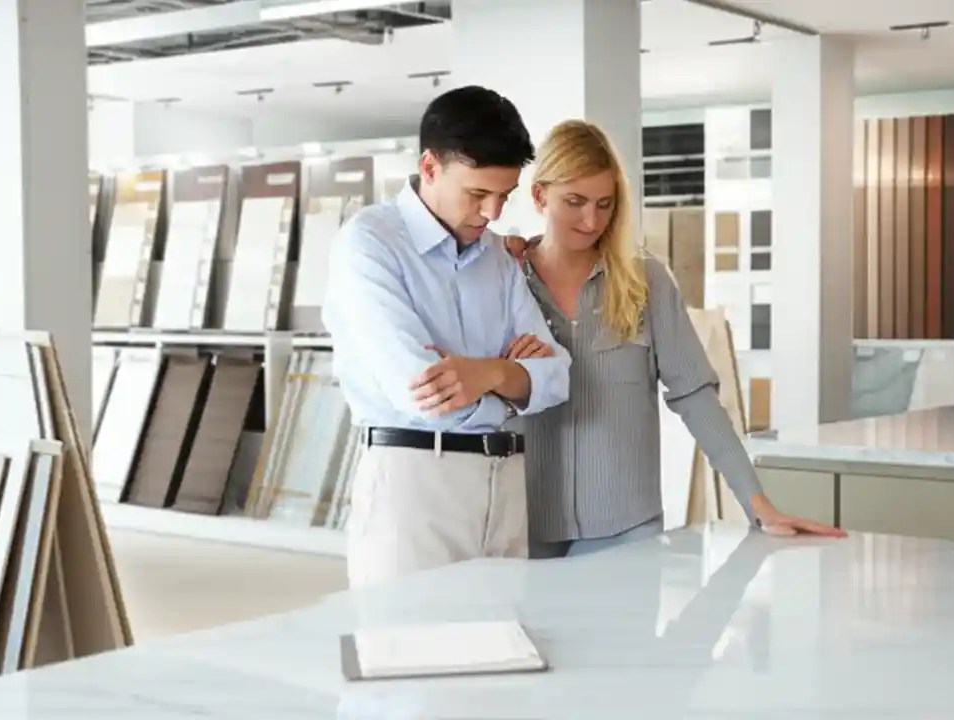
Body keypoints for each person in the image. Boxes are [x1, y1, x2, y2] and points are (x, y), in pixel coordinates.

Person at [504, 120, 845, 559]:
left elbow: (695, 395)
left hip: (627, 527)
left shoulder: (646, 282)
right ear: (539, 195)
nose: (591, 220)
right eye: (575, 202)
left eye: (605, 204)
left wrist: (758, 504)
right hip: (523, 524)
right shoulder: (503, 280)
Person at [322, 86, 572, 587]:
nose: (493, 213)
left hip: (504, 485)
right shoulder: (368, 244)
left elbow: (559, 376)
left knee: (503, 650)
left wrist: (490, 372)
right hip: (414, 484)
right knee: (411, 652)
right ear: (430, 167)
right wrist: (515, 386)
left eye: (503, 196)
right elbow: (424, 392)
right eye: (478, 194)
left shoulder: (499, 257)